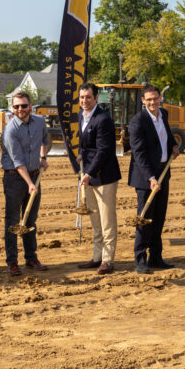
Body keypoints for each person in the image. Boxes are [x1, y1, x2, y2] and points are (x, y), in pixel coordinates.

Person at [128, 83, 179, 273]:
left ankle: (156, 257)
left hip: (163, 173)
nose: (152, 102)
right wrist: (150, 177)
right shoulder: (137, 121)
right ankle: (140, 259)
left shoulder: (163, 114)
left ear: (160, 98)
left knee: (159, 218)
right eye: (148, 99)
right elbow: (138, 153)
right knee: (144, 219)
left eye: (155, 98)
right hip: (145, 177)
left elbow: (166, 135)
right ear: (143, 101)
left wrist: (174, 145)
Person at [73, 82, 122, 275]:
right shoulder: (81, 116)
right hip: (90, 174)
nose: (84, 101)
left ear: (95, 99)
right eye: (82, 97)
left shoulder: (103, 119)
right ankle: (97, 257)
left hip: (105, 177)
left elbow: (104, 150)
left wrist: (89, 173)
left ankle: (108, 260)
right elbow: (87, 145)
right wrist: (80, 155)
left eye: (88, 97)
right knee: (94, 218)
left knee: (107, 219)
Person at [1, 91, 51, 276]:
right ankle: (12, 262)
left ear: (30, 105)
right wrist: (30, 183)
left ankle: (31, 258)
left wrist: (42, 157)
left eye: (24, 105)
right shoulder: (10, 129)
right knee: (13, 221)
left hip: (34, 175)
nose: (20, 109)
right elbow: (18, 160)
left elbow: (46, 139)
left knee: (30, 220)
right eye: (16, 106)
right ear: (11, 108)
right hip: (14, 178)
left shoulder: (39, 122)